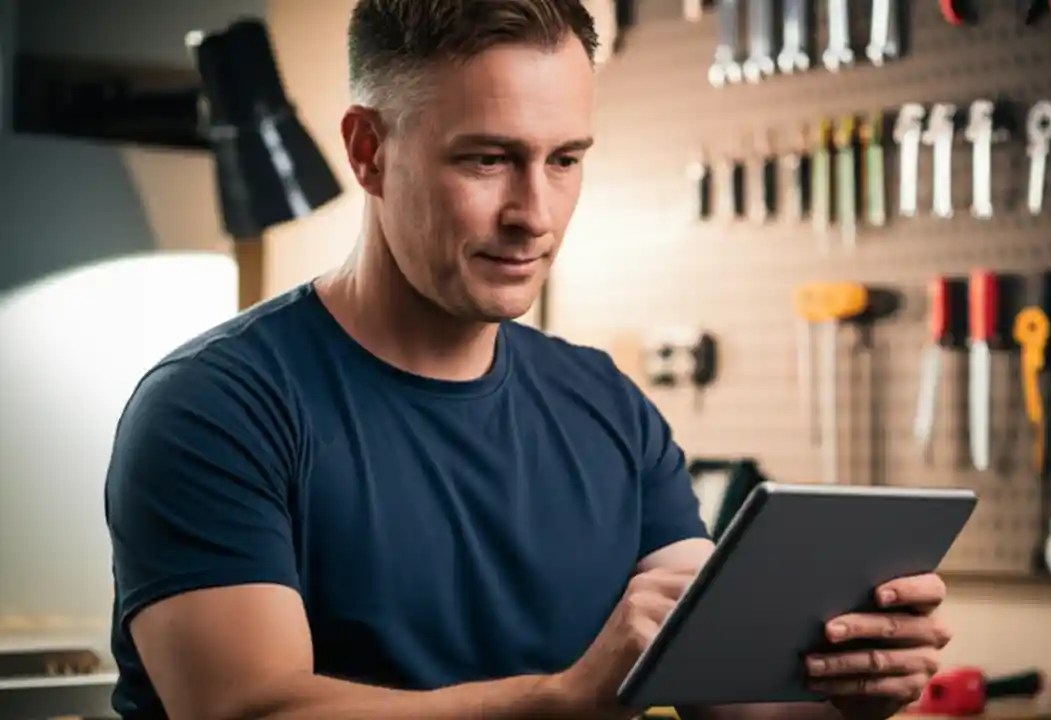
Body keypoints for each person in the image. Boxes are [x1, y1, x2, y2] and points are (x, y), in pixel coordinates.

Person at [103, 1, 954, 718]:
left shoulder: (604, 406)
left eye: (565, 160)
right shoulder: (215, 407)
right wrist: (557, 700)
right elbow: (253, 710)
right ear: (368, 151)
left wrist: (842, 681)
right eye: (488, 159)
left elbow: (721, 685)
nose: (535, 214)